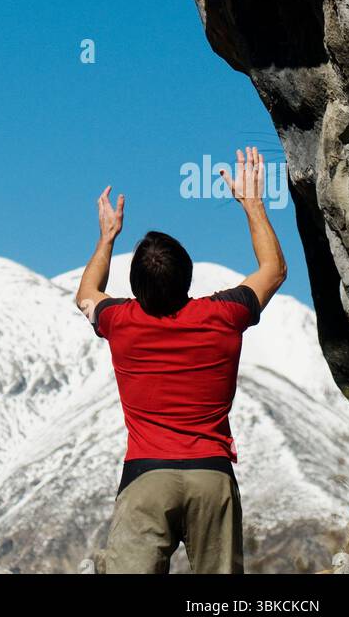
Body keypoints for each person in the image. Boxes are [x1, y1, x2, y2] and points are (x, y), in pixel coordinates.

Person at [74, 146, 286, 574]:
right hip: (212, 476)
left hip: (147, 477)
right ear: (189, 277)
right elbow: (273, 269)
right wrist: (252, 203)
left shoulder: (120, 319)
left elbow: (85, 295)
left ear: (135, 285)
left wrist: (107, 238)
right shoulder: (224, 314)